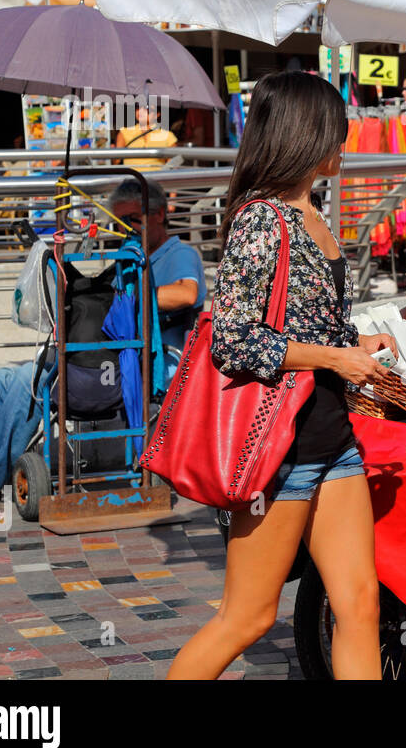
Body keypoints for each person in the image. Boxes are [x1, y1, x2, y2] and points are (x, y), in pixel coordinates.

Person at [168, 70, 392, 681]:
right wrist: (333, 358)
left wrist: (355, 342)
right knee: (248, 617)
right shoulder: (261, 221)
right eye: (336, 133)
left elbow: (310, 322)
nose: (344, 145)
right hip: (279, 448)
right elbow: (235, 342)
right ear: (305, 133)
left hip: (332, 439)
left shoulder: (311, 213)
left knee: (360, 605)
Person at [0, 179, 205, 491]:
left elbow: (188, 294)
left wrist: (128, 300)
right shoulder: (128, 253)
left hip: (137, 362)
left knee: (31, 379)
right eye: (120, 222)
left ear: (159, 214)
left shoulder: (177, 254)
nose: (127, 228)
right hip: (97, 355)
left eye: (134, 219)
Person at [115, 103, 177, 170]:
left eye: (146, 108)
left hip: (156, 178)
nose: (141, 111)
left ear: (157, 114)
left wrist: (163, 175)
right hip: (131, 178)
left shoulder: (168, 135)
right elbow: (116, 161)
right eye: (138, 107)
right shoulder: (124, 132)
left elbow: (173, 162)